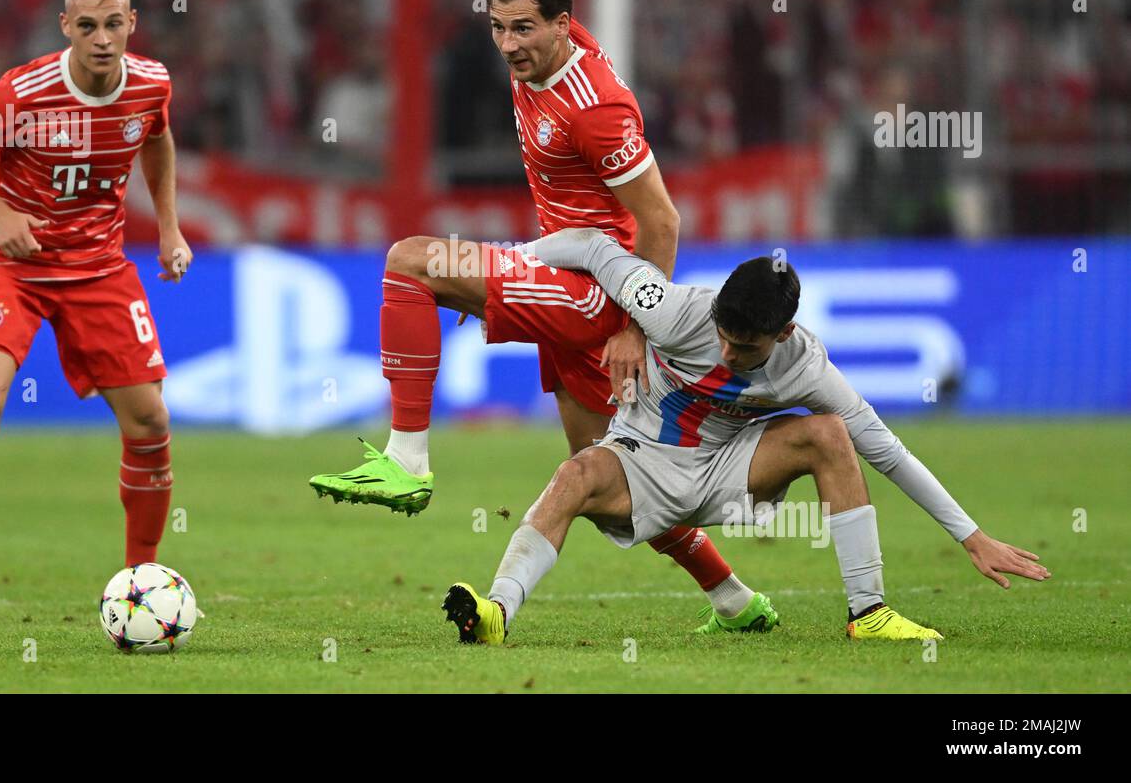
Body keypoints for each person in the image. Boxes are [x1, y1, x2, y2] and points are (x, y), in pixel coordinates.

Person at [310, 0, 777, 635]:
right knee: (604, 483)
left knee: (410, 263)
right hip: (562, 282)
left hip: (595, 293)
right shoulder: (544, 38)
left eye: (525, 29)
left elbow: (661, 220)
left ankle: (409, 460)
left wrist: (637, 322)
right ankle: (737, 601)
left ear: (564, 24)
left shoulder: (596, 107)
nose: (509, 44)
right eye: (498, 28)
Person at [443, 228, 1050, 642]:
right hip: (641, 460)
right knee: (574, 474)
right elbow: (592, 246)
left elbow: (888, 452)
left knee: (830, 434)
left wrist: (971, 537)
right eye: (725, 336)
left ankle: (868, 612)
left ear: (783, 334)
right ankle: (498, 612)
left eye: (747, 345)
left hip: (730, 473)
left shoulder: (806, 366)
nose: (729, 352)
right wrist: (501, 278)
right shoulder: (673, 307)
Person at [0, 0, 192, 625]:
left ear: (131, 24)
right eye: (86, 25)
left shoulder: (150, 84)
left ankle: (137, 578)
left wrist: (169, 227)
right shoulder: (21, 92)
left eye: (113, 24)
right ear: (66, 25)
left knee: (151, 422)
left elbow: (158, 139)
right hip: (14, 264)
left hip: (99, 270)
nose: (101, 39)